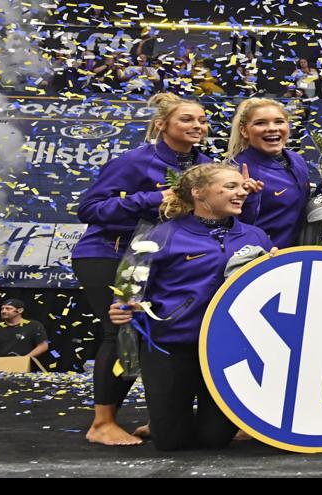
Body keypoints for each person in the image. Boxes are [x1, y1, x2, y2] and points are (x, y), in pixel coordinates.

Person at [70, 93, 215, 446]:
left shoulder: (206, 165)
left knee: (163, 331)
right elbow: (89, 208)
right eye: (186, 119)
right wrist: (152, 198)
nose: (197, 125)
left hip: (162, 258)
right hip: (109, 254)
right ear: (161, 124)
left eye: (201, 120)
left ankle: (162, 417)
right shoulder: (134, 161)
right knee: (121, 331)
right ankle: (102, 423)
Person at [106, 163, 272, 452]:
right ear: (198, 192)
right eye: (230, 186)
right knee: (172, 442)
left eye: (242, 186)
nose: (242, 192)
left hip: (227, 348)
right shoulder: (161, 235)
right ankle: (163, 422)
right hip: (171, 345)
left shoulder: (255, 236)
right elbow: (130, 286)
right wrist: (121, 307)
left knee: (214, 440)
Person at [227, 97, 319, 250]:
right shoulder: (237, 170)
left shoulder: (297, 159)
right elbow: (229, 226)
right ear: (244, 131)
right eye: (260, 123)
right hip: (261, 257)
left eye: (279, 121)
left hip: (295, 254)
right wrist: (247, 201)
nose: (272, 128)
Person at [0, 300, 51, 372]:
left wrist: (24, 359)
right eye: (2, 308)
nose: (3, 311)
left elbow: (43, 346)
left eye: (8, 308)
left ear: (20, 310)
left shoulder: (34, 325)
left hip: (24, 368)